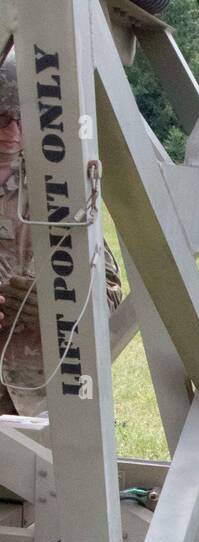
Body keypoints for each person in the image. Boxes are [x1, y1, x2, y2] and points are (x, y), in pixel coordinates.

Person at [0, 55, 122, 417]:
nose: (14, 134)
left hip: (43, 394)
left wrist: (60, 303)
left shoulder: (56, 191)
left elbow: (110, 292)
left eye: (23, 121)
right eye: (2, 119)